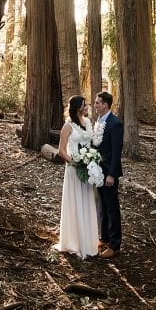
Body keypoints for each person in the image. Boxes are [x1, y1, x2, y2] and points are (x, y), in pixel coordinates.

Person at [55, 95, 100, 258]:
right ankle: (74, 241)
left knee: (87, 201)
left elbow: (92, 143)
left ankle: (88, 241)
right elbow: (61, 150)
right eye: (84, 105)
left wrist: (91, 160)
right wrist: (74, 163)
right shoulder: (68, 126)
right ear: (76, 108)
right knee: (75, 201)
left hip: (87, 168)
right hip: (74, 170)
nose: (87, 106)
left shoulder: (88, 123)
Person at [92, 91, 124, 258]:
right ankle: (104, 238)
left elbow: (117, 151)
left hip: (109, 173)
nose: (95, 105)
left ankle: (115, 244)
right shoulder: (98, 121)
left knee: (112, 207)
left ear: (105, 105)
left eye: (97, 103)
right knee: (102, 206)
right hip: (98, 171)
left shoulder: (115, 123)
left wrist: (111, 175)